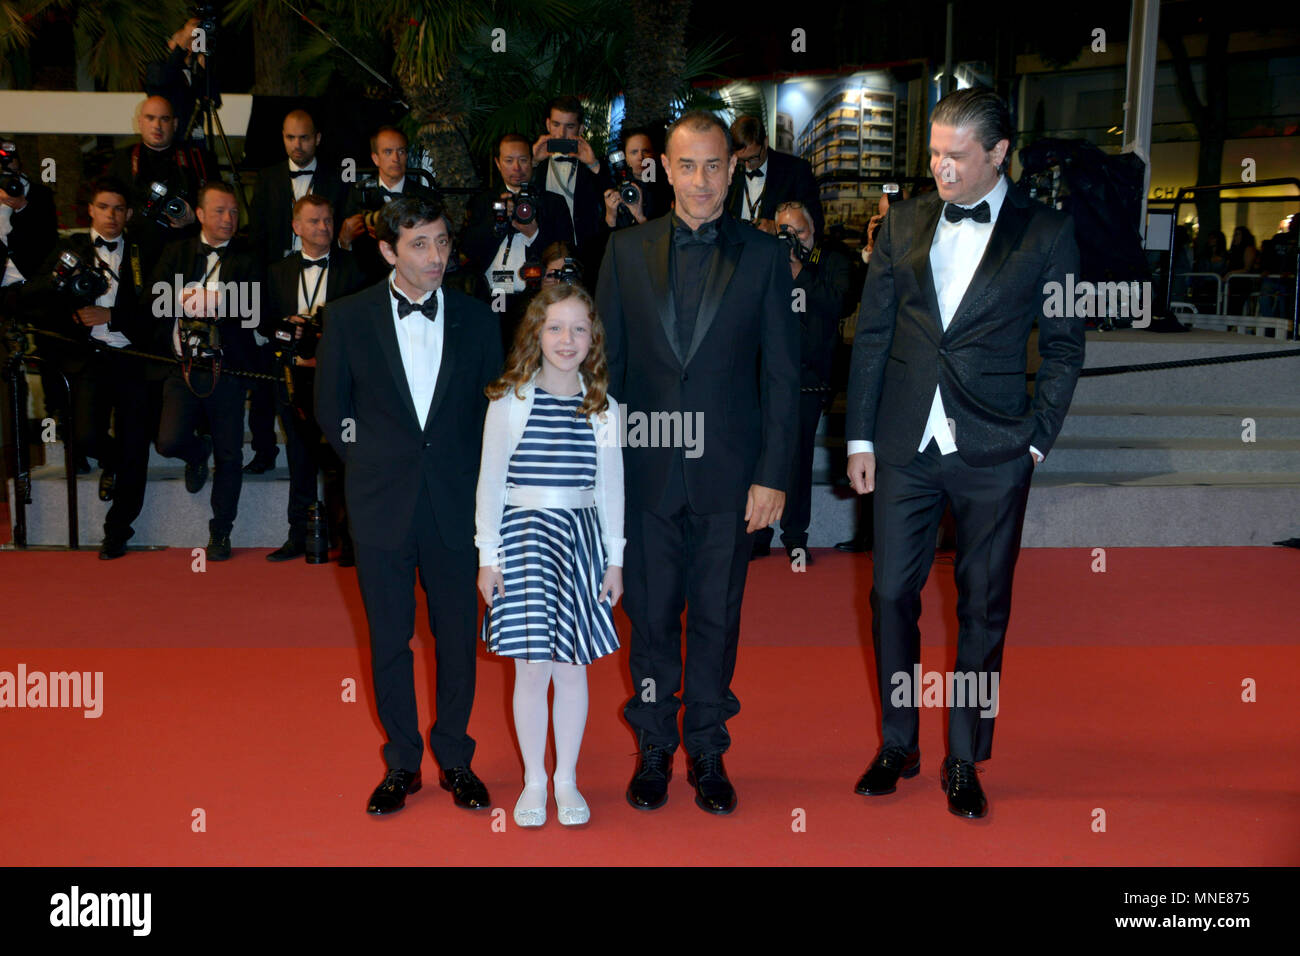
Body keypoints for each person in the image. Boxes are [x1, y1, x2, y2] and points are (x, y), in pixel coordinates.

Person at [845, 87, 1085, 819]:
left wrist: (1036, 442)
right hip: (905, 444)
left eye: (956, 156)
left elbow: (1068, 345)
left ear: (999, 153)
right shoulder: (905, 221)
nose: (940, 168)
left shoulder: (1048, 233)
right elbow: (875, 335)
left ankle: (963, 757)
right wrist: (860, 436)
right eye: (934, 153)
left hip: (995, 447)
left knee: (983, 608)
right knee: (890, 596)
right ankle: (898, 743)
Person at [596, 110, 799, 815]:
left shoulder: (766, 255)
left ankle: (708, 747)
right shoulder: (624, 251)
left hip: (730, 477)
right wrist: (604, 477)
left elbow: (781, 375)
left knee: (716, 617)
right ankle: (654, 744)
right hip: (647, 474)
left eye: (715, 164)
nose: (702, 180)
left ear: (733, 167)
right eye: (687, 165)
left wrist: (773, 474)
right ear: (664, 170)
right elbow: (609, 373)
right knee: (650, 621)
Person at [315, 196, 503, 816]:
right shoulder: (347, 317)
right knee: (390, 640)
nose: (436, 256)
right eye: (420, 245)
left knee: (456, 639)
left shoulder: (479, 320)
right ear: (388, 251)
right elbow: (330, 410)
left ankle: (456, 758)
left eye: (443, 242)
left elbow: (494, 415)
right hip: (380, 505)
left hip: (455, 505)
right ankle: (401, 762)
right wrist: (365, 461)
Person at [475, 281, 624, 828]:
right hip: (522, 541)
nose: (567, 339)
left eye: (579, 328)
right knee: (531, 667)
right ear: (536, 333)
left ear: (594, 338)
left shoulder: (604, 407)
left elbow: (611, 489)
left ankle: (568, 779)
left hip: (580, 544)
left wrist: (616, 559)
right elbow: (489, 483)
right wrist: (488, 557)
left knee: (572, 666)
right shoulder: (510, 401)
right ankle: (535, 779)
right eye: (555, 327)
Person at [21, 178, 157, 558]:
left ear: (128, 214)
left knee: (136, 447)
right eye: (103, 207)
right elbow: (32, 299)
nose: (111, 215)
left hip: (132, 360)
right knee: (84, 438)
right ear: (90, 211)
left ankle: (118, 530)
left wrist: (113, 314)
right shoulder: (70, 250)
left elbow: (159, 309)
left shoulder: (143, 254)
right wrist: (62, 292)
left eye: (118, 208)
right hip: (88, 360)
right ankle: (114, 464)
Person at [152, 180, 265, 561]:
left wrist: (201, 300)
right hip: (182, 364)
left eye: (233, 211)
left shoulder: (249, 257)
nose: (229, 218)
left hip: (228, 367)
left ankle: (221, 530)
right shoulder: (175, 251)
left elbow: (254, 309)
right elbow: (156, 301)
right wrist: (214, 301)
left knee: (230, 454)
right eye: (219, 211)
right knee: (168, 441)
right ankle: (196, 453)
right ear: (199, 214)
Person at [263, 194, 365, 564]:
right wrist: (286, 329)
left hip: (341, 381)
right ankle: (299, 537)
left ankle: (352, 541)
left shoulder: (354, 267)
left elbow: (363, 325)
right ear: (297, 227)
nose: (323, 227)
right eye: (314, 221)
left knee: (346, 459)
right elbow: (263, 322)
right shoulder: (277, 271)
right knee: (300, 457)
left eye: (327, 220)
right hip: (292, 380)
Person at [751, 199, 853, 564]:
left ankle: (796, 536)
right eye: (785, 232)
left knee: (798, 458)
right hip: (768, 376)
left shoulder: (832, 261)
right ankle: (758, 533)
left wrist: (799, 272)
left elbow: (838, 305)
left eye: (800, 231)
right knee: (761, 455)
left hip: (809, 377)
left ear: (815, 230)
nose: (793, 239)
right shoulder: (765, 260)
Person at [460, 133, 575, 350]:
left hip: (537, 293)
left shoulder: (553, 203)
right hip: (497, 292)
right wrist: (497, 222)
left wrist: (533, 233)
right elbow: (469, 249)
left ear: (532, 161)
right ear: (498, 163)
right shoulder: (483, 201)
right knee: (496, 346)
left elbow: (565, 252)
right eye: (509, 161)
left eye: (522, 160)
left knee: (534, 352)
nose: (516, 168)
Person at [338, 126, 439, 283]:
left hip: (415, 280)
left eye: (401, 151)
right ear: (375, 158)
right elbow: (348, 247)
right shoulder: (357, 194)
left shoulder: (426, 196)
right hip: (367, 281)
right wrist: (344, 240)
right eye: (388, 152)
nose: (395, 158)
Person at [530, 96, 608, 275]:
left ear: (580, 129)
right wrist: (532, 162)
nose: (561, 134)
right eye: (556, 125)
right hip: (542, 252)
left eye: (569, 126)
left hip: (584, 255)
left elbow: (610, 200)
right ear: (548, 125)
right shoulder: (534, 163)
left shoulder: (594, 165)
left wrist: (593, 165)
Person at [726, 115, 823, 236]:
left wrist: (777, 227)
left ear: (766, 142)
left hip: (778, 252)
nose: (747, 165)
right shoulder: (730, 171)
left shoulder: (796, 170)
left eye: (753, 158)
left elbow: (815, 222)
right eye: (741, 160)